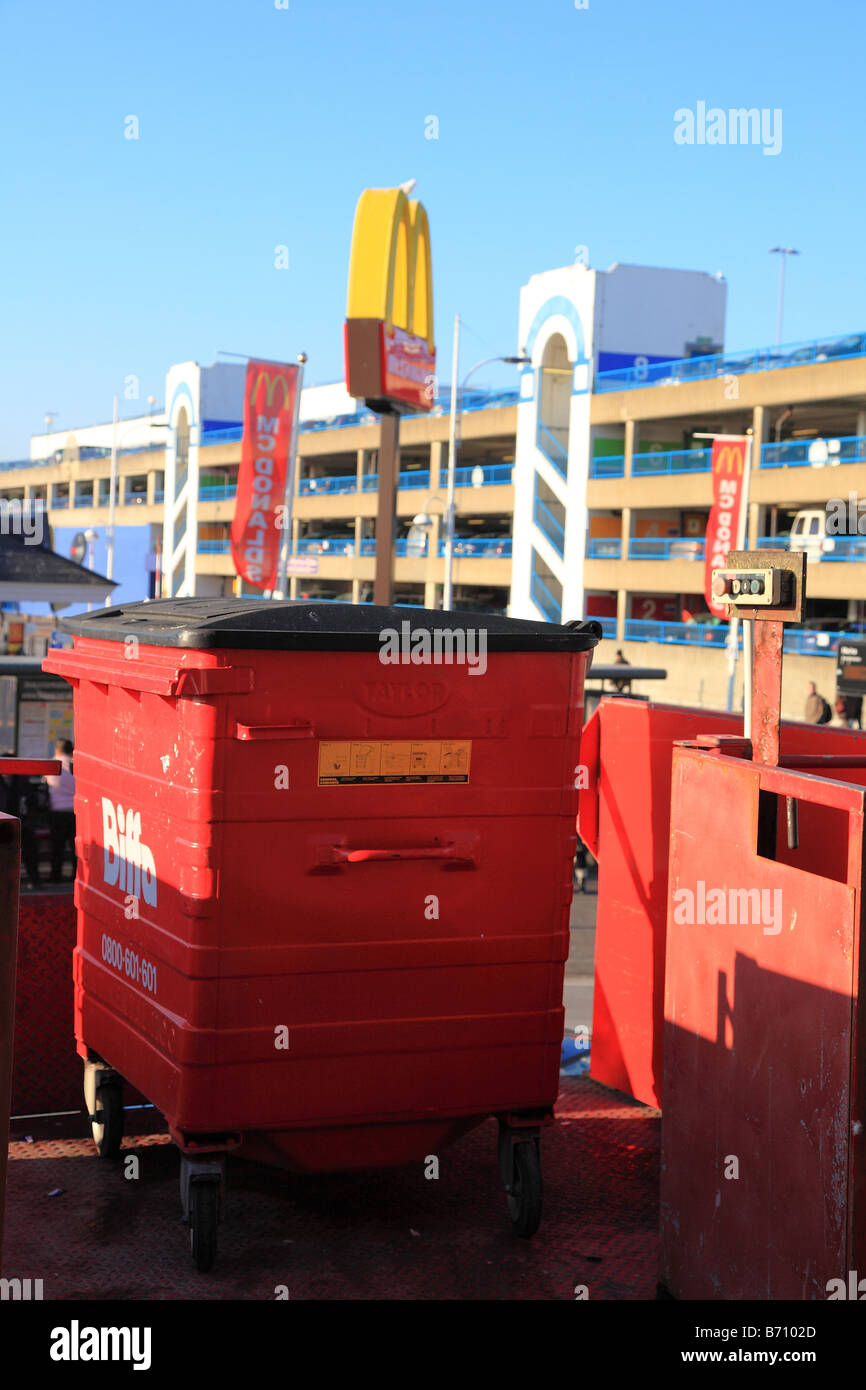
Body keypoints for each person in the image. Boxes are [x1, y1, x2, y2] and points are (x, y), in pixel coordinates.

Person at [44, 738, 76, 883]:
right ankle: (76, 875)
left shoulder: (51, 764)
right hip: (75, 812)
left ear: (57, 749)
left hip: (56, 811)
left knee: (57, 846)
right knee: (75, 848)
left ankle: (55, 876)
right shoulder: (76, 764)